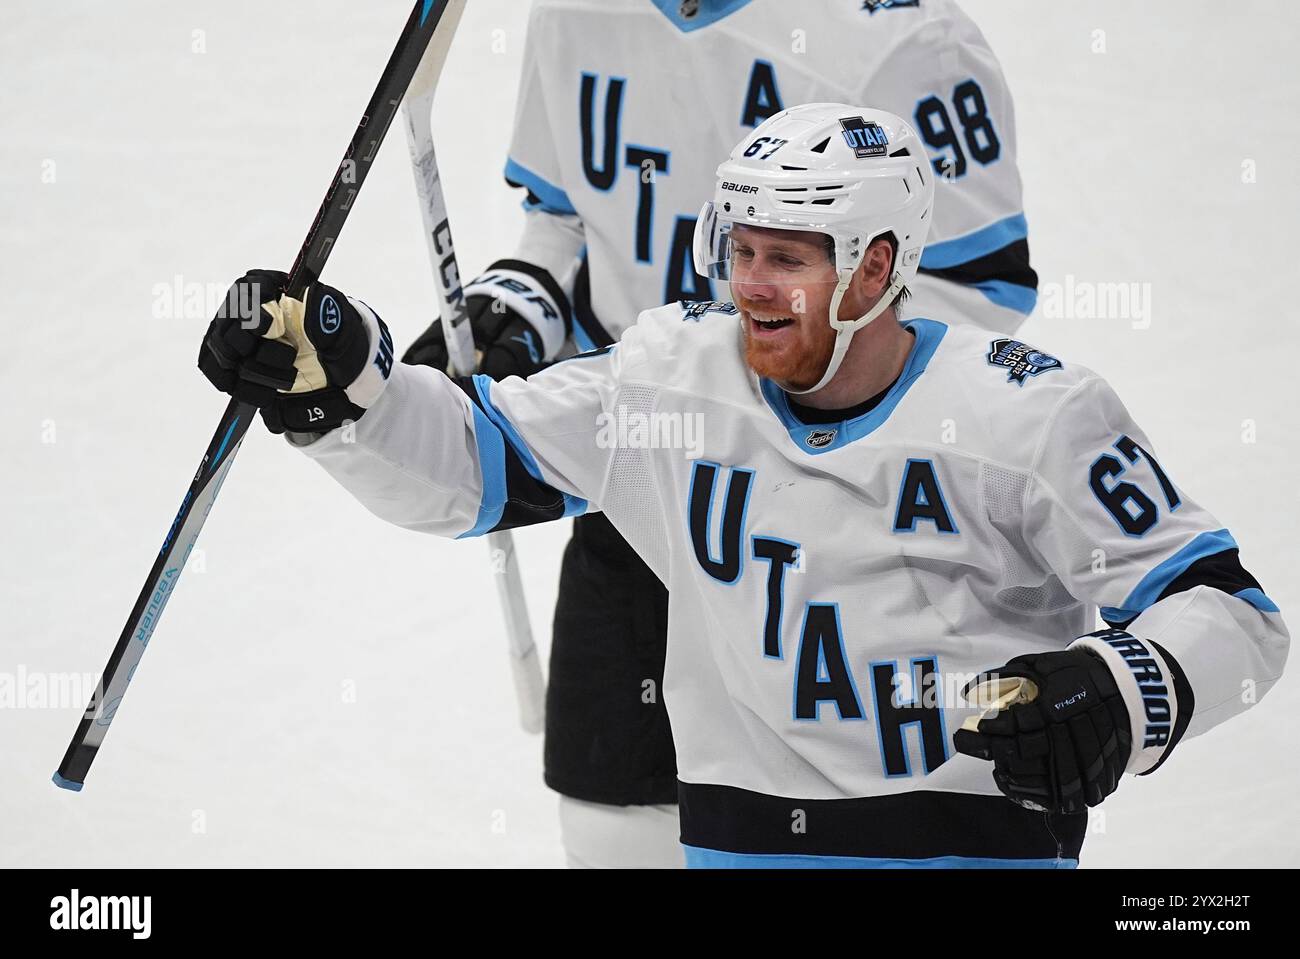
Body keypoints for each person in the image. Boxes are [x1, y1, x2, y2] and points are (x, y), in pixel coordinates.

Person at [198, 104, 1288, 867]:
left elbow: (1235, 613)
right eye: (741, 248)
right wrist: (342, 397)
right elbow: (469, 470)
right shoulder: (675, 377)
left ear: (873, 266)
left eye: (789, 259)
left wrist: (1127, 685)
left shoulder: (1025, 414)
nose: (750, 286)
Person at [401, 0, 1038, 867]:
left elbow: (975, 301)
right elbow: (563, 227)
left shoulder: (903, 39)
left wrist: (740, 380)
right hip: (638, 483)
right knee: (609, 818)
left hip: (829, 516)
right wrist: (513, 309)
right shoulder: (574, 15)